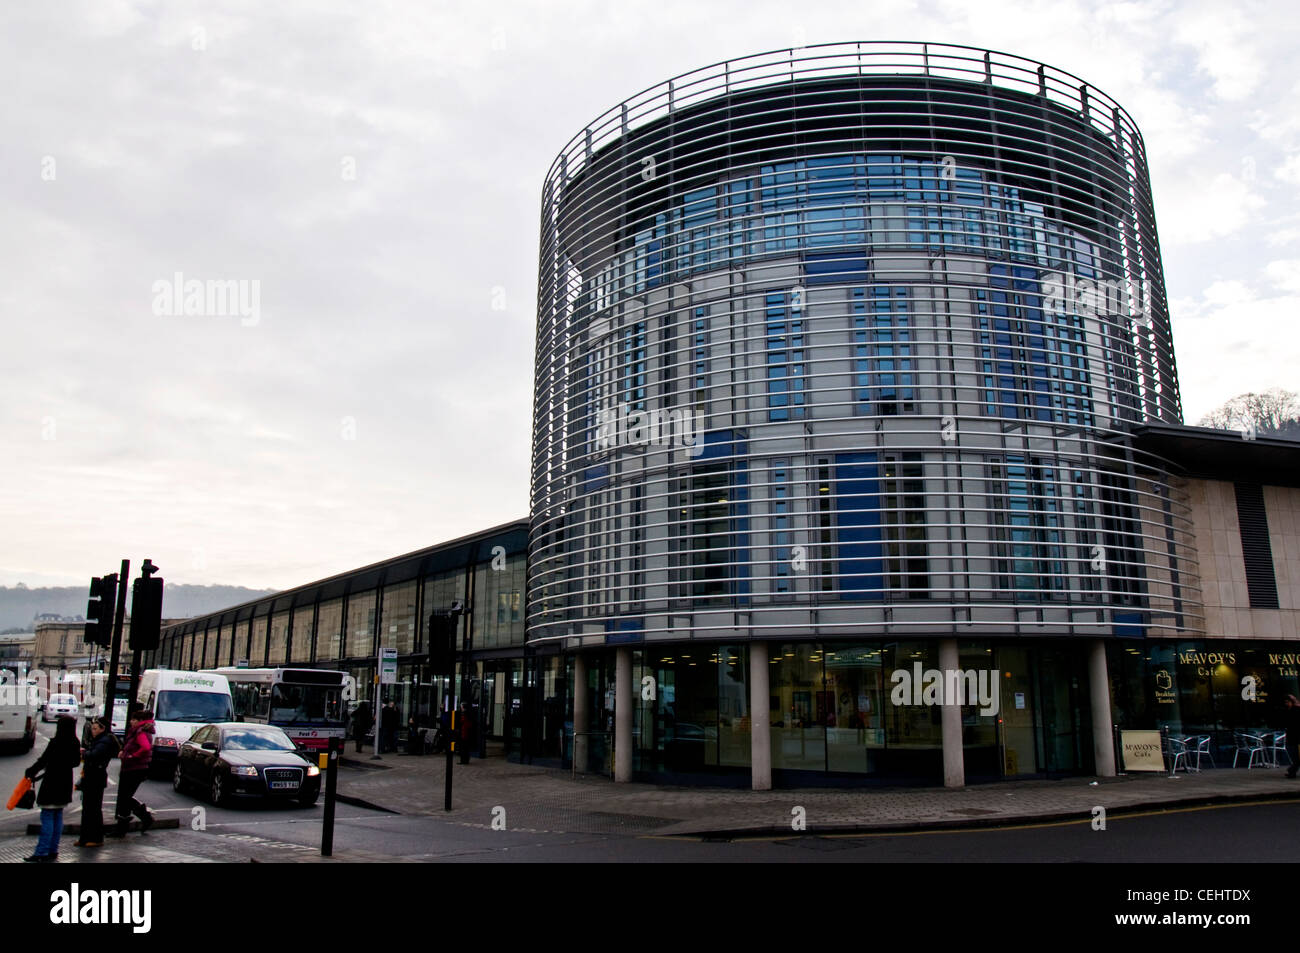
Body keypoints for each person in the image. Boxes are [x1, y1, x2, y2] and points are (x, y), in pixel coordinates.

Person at [23, 715, 81, 862]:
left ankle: (41, 852)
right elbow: (75, 763)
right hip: (65, 783)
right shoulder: (75, 742)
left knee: (47, 816)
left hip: (52, 783)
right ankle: (53, 850)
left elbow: (43, 760)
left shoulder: (56, 742)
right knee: (57, 816)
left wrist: (31, 771)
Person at [109, 708, 155, 837]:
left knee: (124, 797)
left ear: (140, 721)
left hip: (134, 768)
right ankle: (124, 827)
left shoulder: (140, 732)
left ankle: (143, 818)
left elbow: (145, 747)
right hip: (134, 768)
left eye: (133, 719)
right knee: (125, 797)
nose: (131, 722)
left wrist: (131, 756)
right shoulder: (140, 731)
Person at [76, 716, 120, 848]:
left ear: (102, 729)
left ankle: (95, 838)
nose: (93, 731)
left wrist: (84, 754)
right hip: (92, 777)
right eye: (92, 728)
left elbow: (95, 755)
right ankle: (85, 838)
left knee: (93, 809)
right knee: (88, 809)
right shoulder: (100, 740)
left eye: (95, 729)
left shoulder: (104, 741)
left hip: (95, 778)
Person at [1284, 695, 1300, 779]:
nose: (1287, 704)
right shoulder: (1289, 711)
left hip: (1295, 737)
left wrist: (1295, 699)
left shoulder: (1295, 710)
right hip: (1291, 737)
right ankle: (1292, 771)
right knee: (1295, 757)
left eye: (1288, 702)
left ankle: (1291, 771)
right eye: (1286, 702)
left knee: (1296, 757)